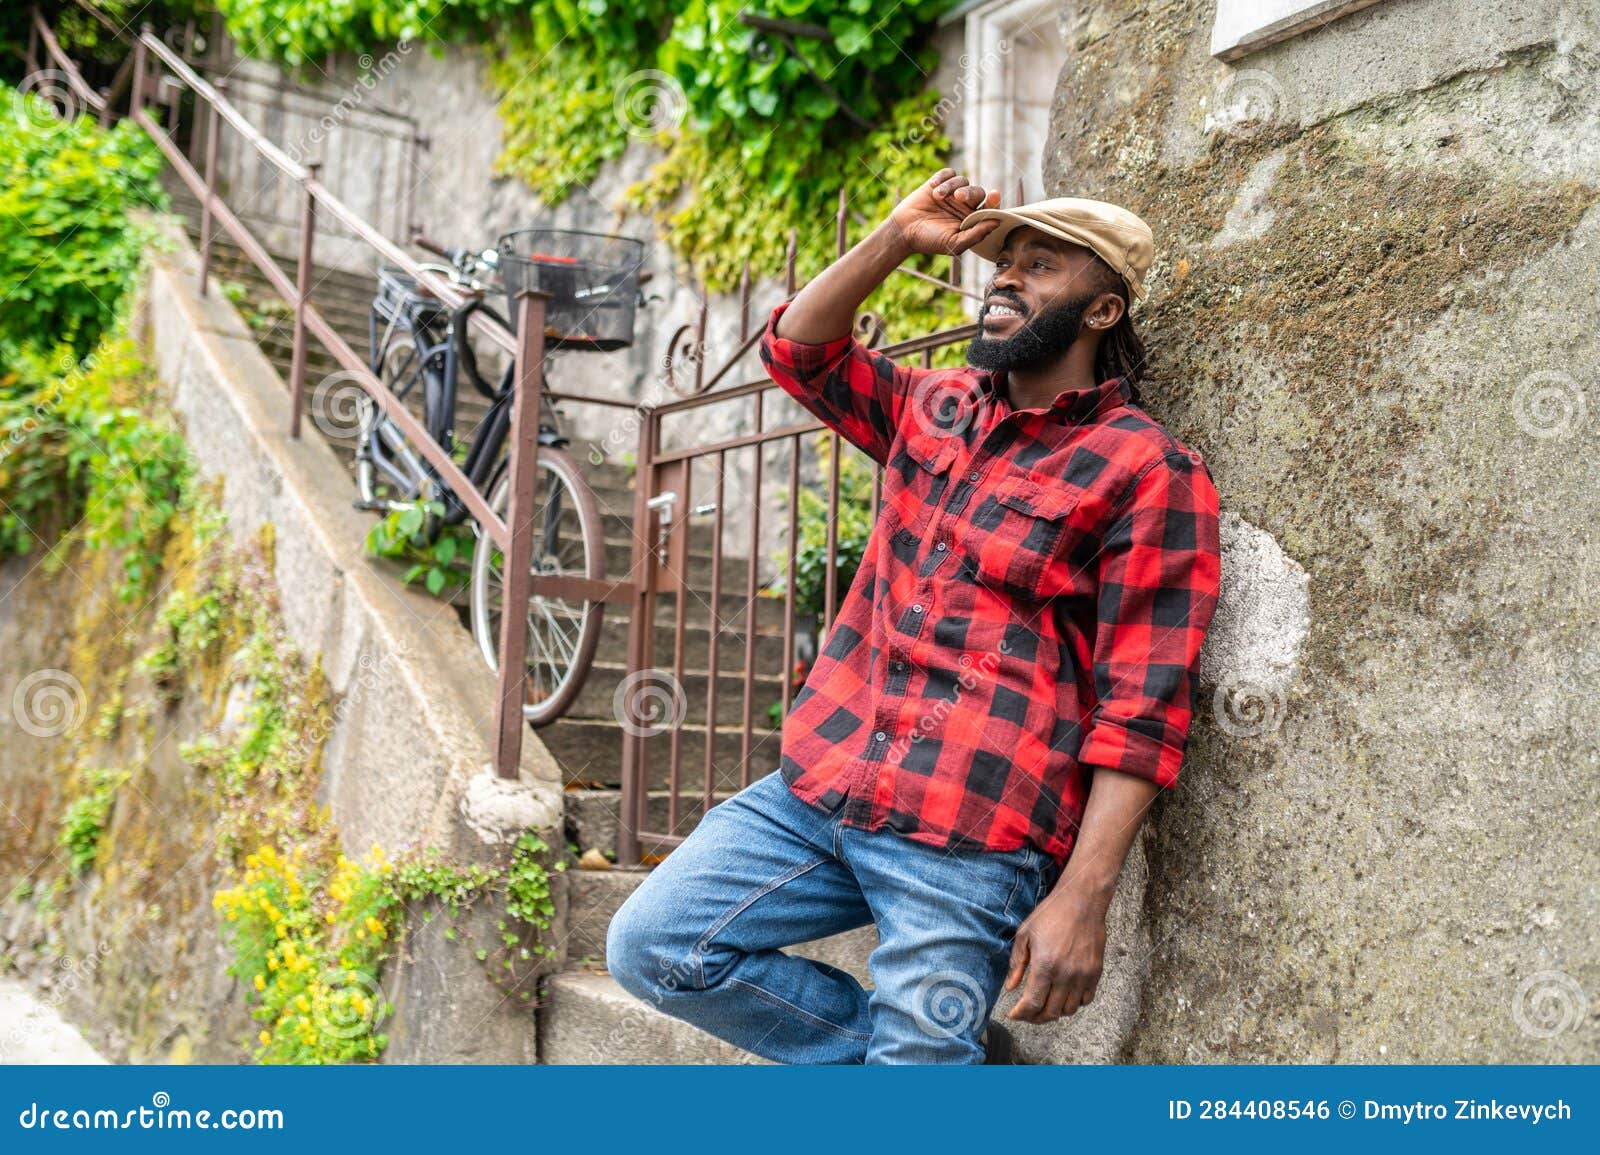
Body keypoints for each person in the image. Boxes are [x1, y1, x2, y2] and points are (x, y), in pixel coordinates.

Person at [607, 168, 1221, 1064]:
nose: (1007, 278)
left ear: (1102, 310)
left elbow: (1145, 704)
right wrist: (897, 235)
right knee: (654, 946)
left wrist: (1084, 894)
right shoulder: (934, 407)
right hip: (821, 787)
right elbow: (800, 351)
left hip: (971, 836)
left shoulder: (1148, 469)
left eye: (1041, 266)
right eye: (1005, 261)